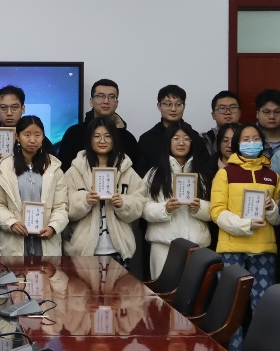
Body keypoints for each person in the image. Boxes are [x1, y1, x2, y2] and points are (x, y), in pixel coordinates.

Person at [210, 124, 280, 349]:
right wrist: (245, 225)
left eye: (255, 138)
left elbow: (279, 218)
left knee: (263, 303)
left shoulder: (272, 176)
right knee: (232, 303)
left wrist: (271, 209)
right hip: (232, 248)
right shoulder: (225, 174)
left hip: (264, 248)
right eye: (246, 139)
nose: (251, 143)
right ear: (237, 144)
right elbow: (217, 211)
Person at [63, 116, 145, 263]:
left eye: (108, 136)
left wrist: (123, 202)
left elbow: (140, 203)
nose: (102, 140)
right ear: (90, 139)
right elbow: (63, 205)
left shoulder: (126, 170)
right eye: (97, 136)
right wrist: (84, 200)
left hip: (118, 248)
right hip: (83, 250)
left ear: (114, 139)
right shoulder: (74, 171)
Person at [0, 115, 69, 257]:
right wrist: (11, 223)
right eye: (27, 135)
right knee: (14, 272)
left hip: (46, 244)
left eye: (37, 135)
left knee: (47, 272)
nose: (32, 140)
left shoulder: (54, 168)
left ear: (43, 137)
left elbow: (61, 206)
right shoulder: (4, 167)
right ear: (17, 137)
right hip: (12, 244)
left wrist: (53, 227)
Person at [142, 120, 212, 279]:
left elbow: (215, 209)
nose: (181, 143)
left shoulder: (202, 175)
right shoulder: (155, 174)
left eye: (186, 139)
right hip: (163, 245)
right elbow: (143, 207)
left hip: (197, 247)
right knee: (164, 291)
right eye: (176, 138)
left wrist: (199, 207)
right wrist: (165, 208)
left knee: (193, 292)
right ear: (168, 142)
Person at [57, 79, 138, 170]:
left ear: (117, 103)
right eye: (100, 96)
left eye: (112, 97)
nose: (106, 101)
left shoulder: (128, 139)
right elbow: (64, 171)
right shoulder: (74, 134)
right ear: (91, 101)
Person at [136, 85, 188, 177]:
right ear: (159, 106)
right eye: (168, 104)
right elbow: (139, 174)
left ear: (184, 106)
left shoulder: (194, 137)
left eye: (178, 104)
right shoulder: (147, 139)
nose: (173, 109)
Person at [202, 91, 241, 159]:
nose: (228, 112)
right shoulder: (205, 140)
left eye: (233, 107)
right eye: (222, 108)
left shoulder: (250, 137)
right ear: (213, 115)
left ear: (240, 113)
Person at [255, 89, 280, 155]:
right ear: (257, 114)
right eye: (266, 112)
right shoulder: (247, 137)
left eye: (277, 111)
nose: (272, 117)